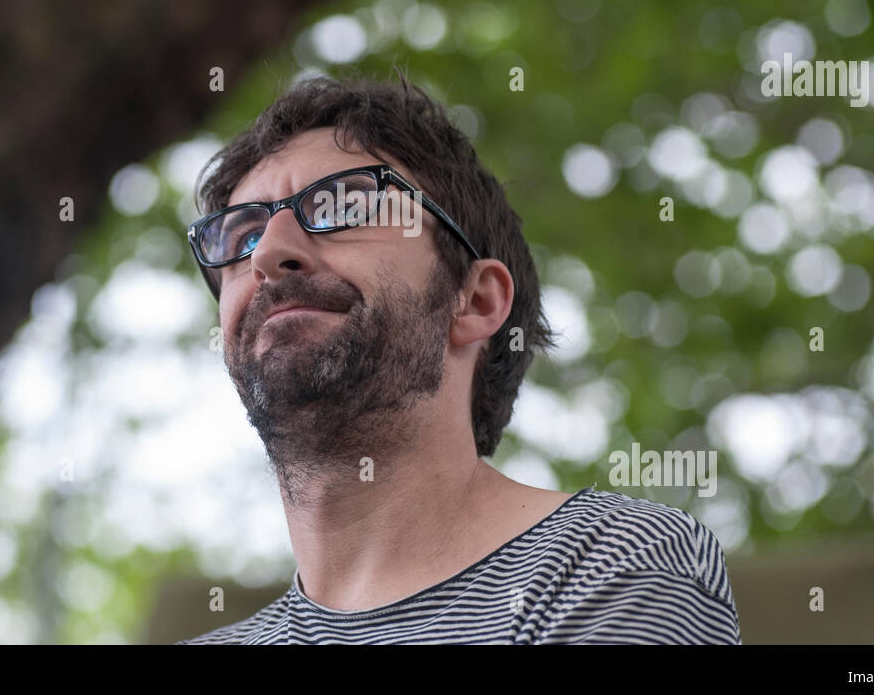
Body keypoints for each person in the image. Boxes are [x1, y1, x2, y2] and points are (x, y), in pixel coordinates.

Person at [176, 72, 741, 644]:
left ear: (473, 301)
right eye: (239, 235)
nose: (269, 253)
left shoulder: (614, 565)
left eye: (341, 202)